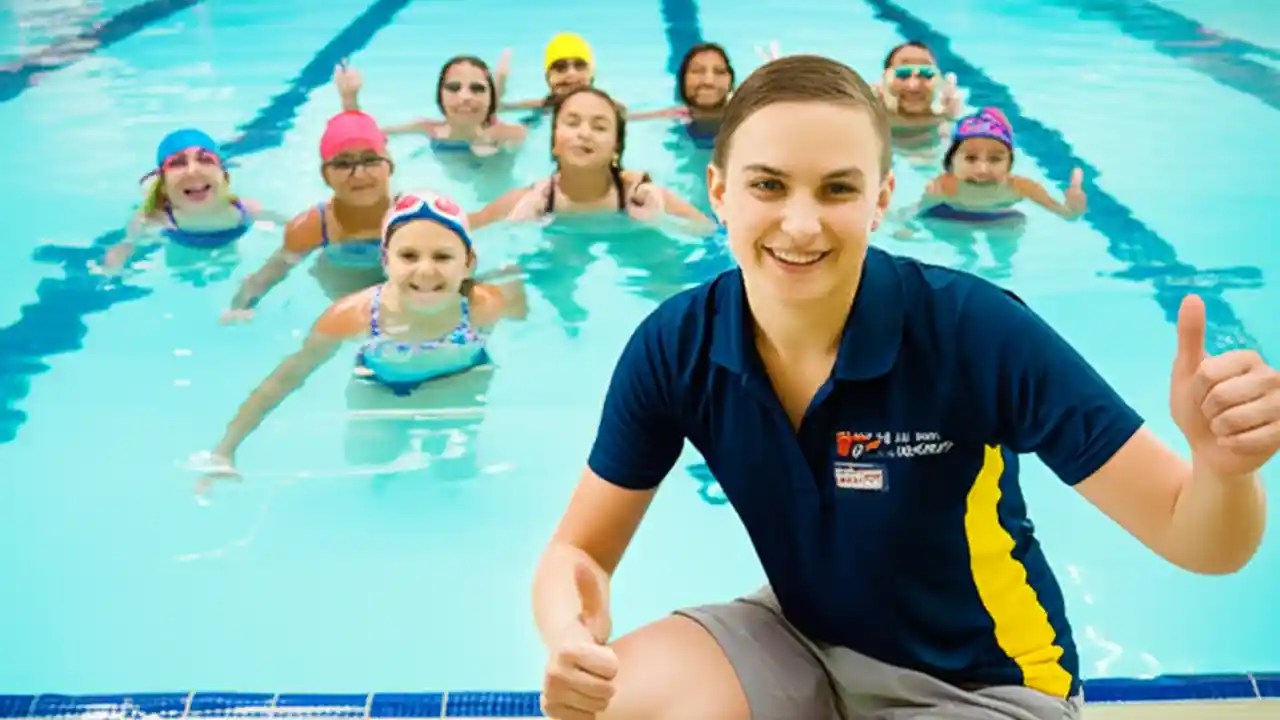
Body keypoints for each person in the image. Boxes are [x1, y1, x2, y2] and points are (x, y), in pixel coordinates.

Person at [532, 54, 1280, 720]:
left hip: (985, 687)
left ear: (881, 196)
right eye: (768, 185)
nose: (799, 224)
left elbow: (1200, 540)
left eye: (836, 189)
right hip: (801, 641)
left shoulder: (972, 332)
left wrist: (1224, 470)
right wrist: (568, 634)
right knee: (612, 704)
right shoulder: (679, 344)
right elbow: (580, 553)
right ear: (720, 190)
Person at [199, 190, 526, 490]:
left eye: (442, 257)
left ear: (469, 263)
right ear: (385, 261)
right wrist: (225, 451)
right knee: (371, 461)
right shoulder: (352, 316)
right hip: (380, 386)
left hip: (460, 383)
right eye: (409, 256)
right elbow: (283, 381)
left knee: (455, 470)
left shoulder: (484, 306)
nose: (425, 271)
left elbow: (521, 309)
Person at [222, 111, 398, 321]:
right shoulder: (312, 226)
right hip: (341, 308)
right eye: (343, 164)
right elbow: (264, 277)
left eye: (370, 160)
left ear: (389, 166)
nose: (359, 174)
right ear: (325, 175)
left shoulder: (415, 215)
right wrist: (237, 309)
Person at [470, 87, 712, 233]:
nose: (584, 134)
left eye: (599, 127)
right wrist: (516, 228)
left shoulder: (638, 194)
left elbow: (710, 232)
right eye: (572, 123)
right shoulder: (532, 201)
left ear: (616, 147)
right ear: (554, 142)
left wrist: (661, 223)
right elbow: (464, 228)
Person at [103, 128, 275, 270]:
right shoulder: (155, 218)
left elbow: (286, 227)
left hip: (228, 259)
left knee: (227, 269)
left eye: (205, 159)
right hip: (179, 262)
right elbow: (123, 247)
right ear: (162, 183)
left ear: (223, 174)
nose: (193, 171)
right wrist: (110, 272)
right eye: (177, 163)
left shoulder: (245, 210)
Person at [912, 107, 1086, 223]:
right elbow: (916, 212)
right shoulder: (943, 186)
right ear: (951, 162)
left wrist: (1074, 209)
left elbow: (1066, 215)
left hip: (1001, 220)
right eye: (971, 159)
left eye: (995, 159)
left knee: (1013, 227)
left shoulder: (1022, 187)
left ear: (1010, 164)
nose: (982, 170)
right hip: (956, 218)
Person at [332, 56, 527, 156]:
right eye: (453, 88)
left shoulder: (510, 134)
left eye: (477, 89)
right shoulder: (428, 128)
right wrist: (350, 99)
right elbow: (365, 137)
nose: (465, 97)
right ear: (439, 96)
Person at [627, 42, 736, 143]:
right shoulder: (675, 115)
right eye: (697, 71)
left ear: (731, 81)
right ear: (682, 80)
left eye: (719, 72)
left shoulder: (746, 116)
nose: (708, 81)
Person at [497, 32, 596, 112]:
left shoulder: (608, 110)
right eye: (560, 67)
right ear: (548, 78)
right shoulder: (541, 108)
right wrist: (501, 82)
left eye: (579, 66)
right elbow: (495, 107)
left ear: (591, 74)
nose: (571, 73)